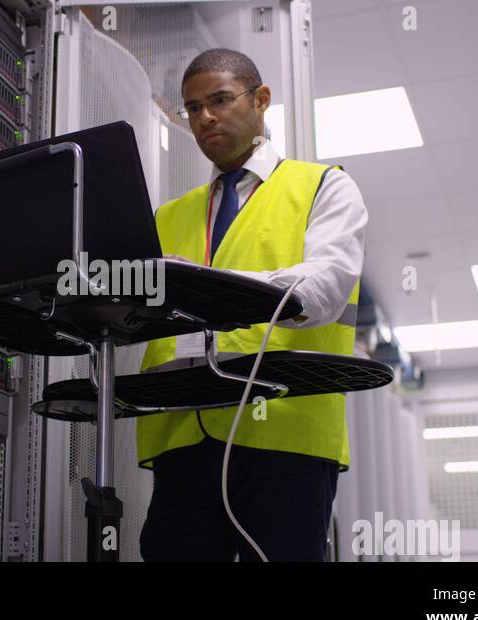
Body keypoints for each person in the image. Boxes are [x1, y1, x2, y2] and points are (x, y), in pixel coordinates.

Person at [137, 48, 368, 562]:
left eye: (219, 100)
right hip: (183, 437)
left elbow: (322, 289)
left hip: (283, 436)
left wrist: (203, 282)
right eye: (192, 108)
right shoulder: (166, 217)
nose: (204, 118)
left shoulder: (323, 187)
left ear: (261, 100)